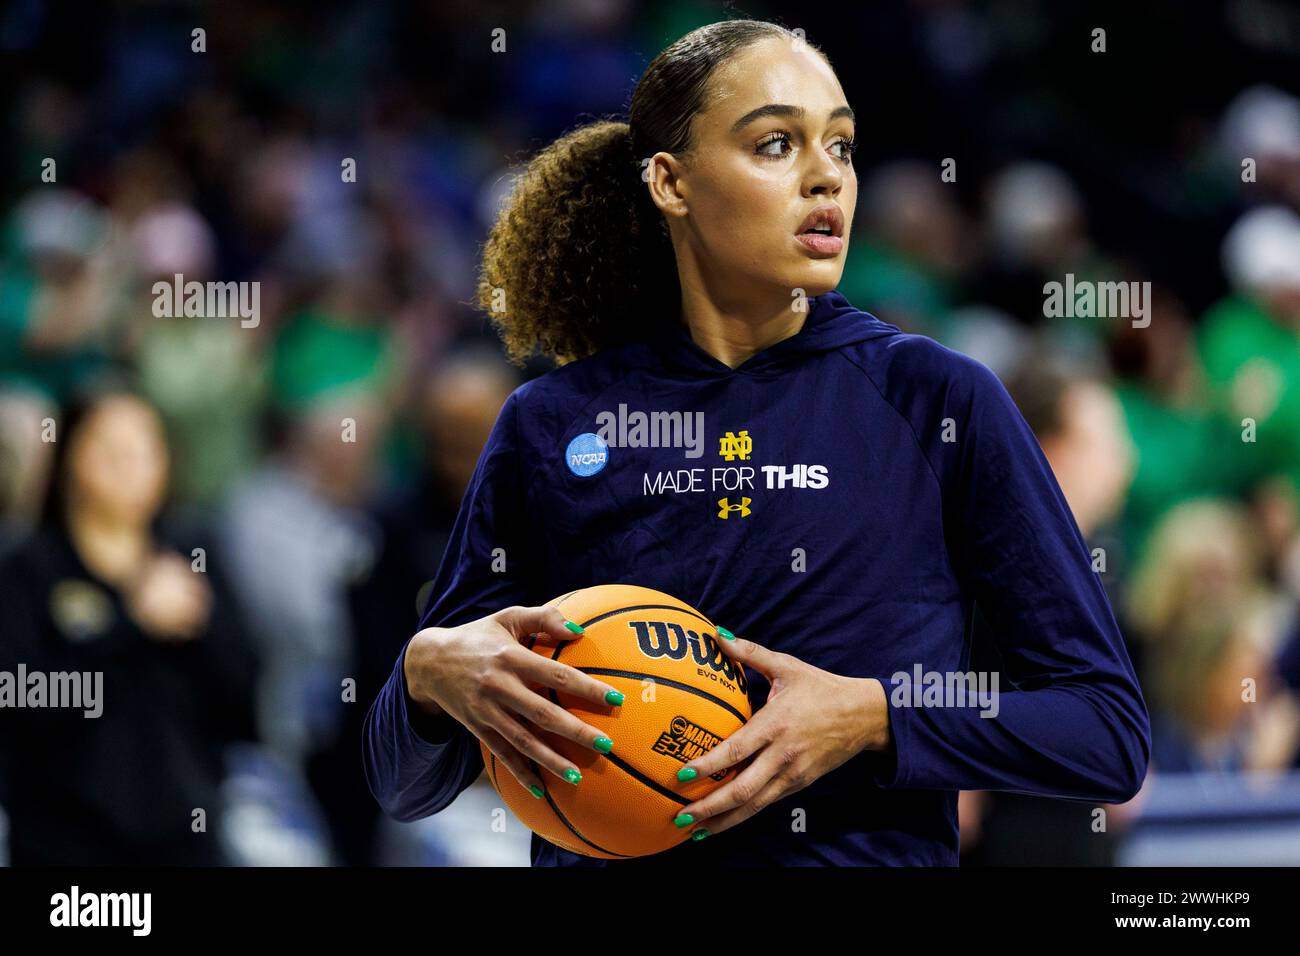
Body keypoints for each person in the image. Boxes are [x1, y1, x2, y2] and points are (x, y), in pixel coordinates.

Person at [362, 18, 1150, 866]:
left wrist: (874, 718)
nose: (827, 178)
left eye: (842, 147)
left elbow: (1104, 731)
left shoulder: (938, 400)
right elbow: (403, 783)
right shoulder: (552, 422)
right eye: (776, 143)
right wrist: (427, 676)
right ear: (671, 181)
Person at [0, 387, 259, 864]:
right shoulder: (28, 568)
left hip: (187, 835)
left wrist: (204, 623)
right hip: (66, 843)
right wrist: (131, 624)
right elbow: (24, 700)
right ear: (68, 458)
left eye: (144, 449)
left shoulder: (193, 550)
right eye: (109, 450)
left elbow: (245, 692)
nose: (129, 466)